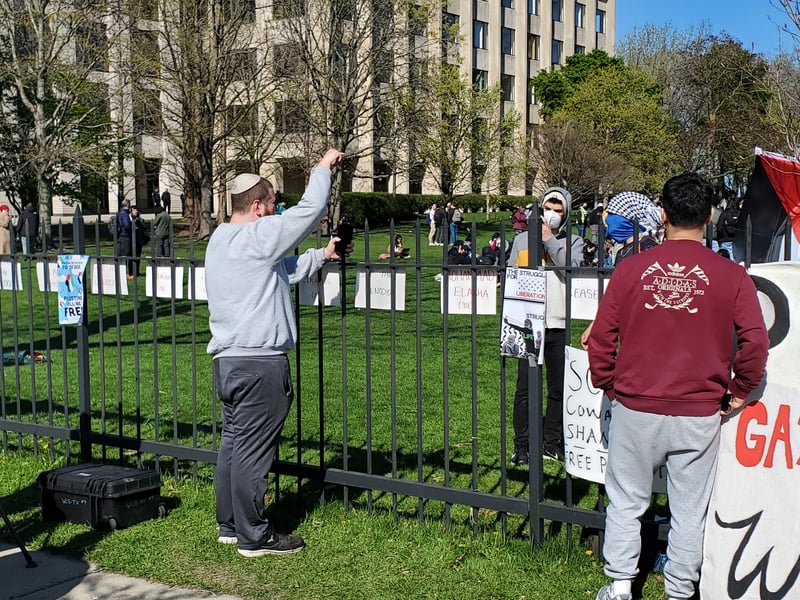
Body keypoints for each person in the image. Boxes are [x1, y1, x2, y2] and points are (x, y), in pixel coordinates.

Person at [588, 172, 769, 600]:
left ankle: (618, 584)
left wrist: (609, 384)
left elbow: (601, 337)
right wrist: (740, 388)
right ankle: (680, 590)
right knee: (690, 509)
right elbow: (756, 340)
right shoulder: (731, 275)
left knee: (627, 501)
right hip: (698, 410)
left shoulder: (631, 268)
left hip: (636, 404)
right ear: (709, 215)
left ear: (663, 214)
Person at [205, 148, 345, 557]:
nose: (276, 211)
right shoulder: (258, 235)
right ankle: (254, 536)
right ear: (259, 206)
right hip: (259, 364)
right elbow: (310, 209)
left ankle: (229, 525)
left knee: (233, 446)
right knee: (252, 452)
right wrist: (322, 167)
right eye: (272, 204)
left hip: (228, 362)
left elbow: (277, 274)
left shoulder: (220, 240)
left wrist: (321, 256)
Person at [508, 187, 584, 464]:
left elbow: (571, 270)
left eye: (558, 209)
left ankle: (551, 442)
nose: (551, 213)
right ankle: (523, 444)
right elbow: (511, 276)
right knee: (525, 388)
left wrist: (550, 241)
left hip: (557, 322)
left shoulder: (572, 241)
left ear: (565, 214)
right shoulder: (521, 240)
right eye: (548, 207)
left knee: (557, 388)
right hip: (527, 322)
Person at [114, 200, 133, 278]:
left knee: (120, 255)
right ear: (128, 205)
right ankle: (124, 273)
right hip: (125, 236)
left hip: (119, 236)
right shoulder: (125, 214)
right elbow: (127, 225)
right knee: (124, 255)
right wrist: (131, 223)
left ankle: (119, 272)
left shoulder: (119, 213)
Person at [130, 205, 148, 277]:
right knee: (131, 257)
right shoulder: (130, 219)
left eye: (136, 210)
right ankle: (131, 272)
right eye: (134, 210)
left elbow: (143, 228)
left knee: (138, 257)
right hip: (132, 240)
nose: (136, 211)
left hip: (139, 240)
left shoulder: (139, 219)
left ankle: (137, 271)